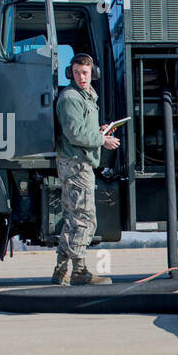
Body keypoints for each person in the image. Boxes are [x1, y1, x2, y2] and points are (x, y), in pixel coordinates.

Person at [53, 53, 120, 285]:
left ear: (93, 74)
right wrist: (103, 141)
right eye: (77, 72)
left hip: (78, 162)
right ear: (70, 73)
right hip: (76, 163)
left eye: (85, 73)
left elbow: (83, 127)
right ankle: (79, 272)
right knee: (85, 219)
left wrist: (100, 131)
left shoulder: (87, 96)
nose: (82, 77)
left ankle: (61, 271)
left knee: (73, 219)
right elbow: (76, 134)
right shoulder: (71, 97)